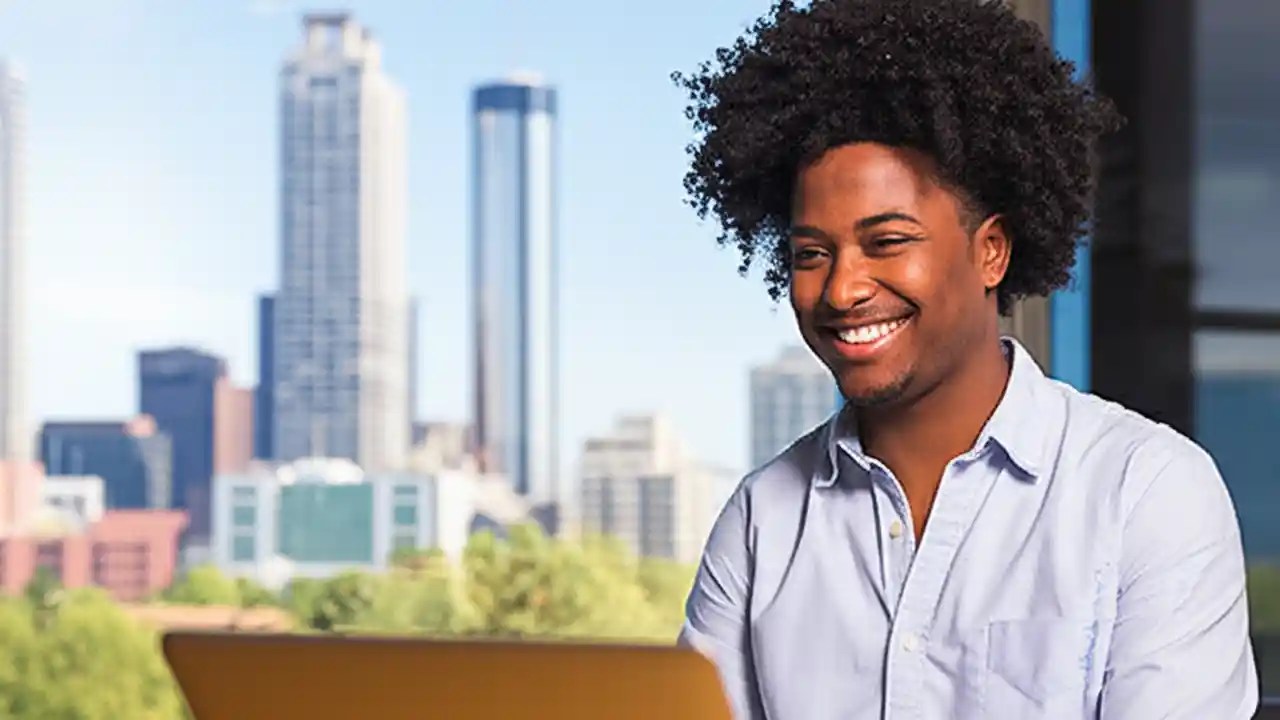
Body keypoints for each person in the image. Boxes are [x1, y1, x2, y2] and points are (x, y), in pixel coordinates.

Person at [673, 1, 1258, 718]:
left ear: (991, 251)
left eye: (887, 242)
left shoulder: (1145, 494)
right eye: (810, 254)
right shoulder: (763, 521)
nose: (843, 288)